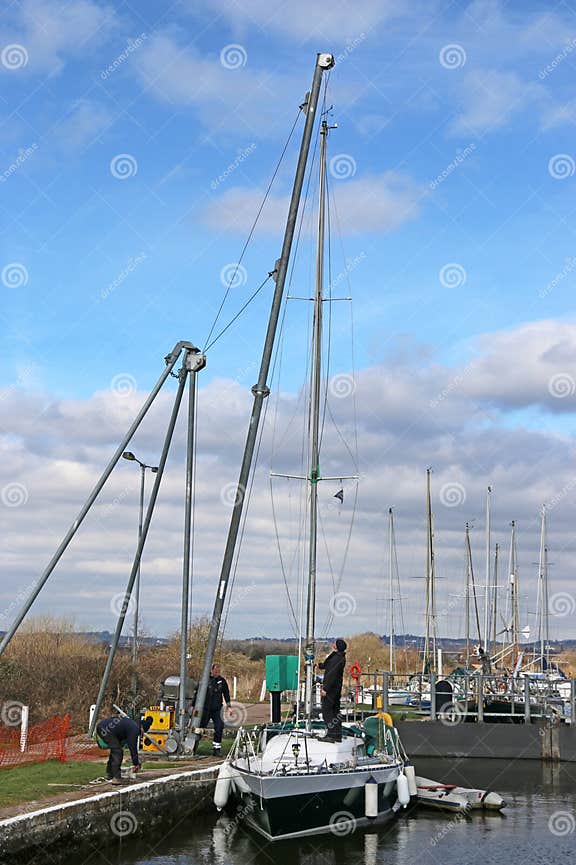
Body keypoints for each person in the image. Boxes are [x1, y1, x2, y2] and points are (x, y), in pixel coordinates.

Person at [96, 714, 153, 783]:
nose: (141, 734)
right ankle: (116, 778)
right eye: (142, 732)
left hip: (104, 727)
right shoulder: (134, 728)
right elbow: (132, 747)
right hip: (105, 729)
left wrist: (136, 761)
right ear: (142, 728)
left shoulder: (132, 724)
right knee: (118, 751)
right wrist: (136, 763)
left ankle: (110, 774)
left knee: (115, 750)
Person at [318, 638, 347, 742]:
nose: (333, 644)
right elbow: (327, 665)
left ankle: (331, 734)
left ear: (337, 646)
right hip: (336, 688)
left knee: (327, 710)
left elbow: (331, 674)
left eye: (335, 643)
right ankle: (337, 734)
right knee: (335, 710)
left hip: (331, 689)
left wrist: (325, 688)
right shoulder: (338, 657)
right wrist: (320, 665)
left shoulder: (336, 659)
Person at [201, 663, 231, 755]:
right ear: (211, 670)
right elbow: (197, 694)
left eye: (219, 671)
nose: (217, 673)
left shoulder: (222, 681)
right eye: (216, 671)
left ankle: (216, 749)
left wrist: (229, 707)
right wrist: (193, 705)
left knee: (219, 726)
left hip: (217, 709)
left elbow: (226, 694)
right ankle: (192, 746)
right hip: (205, 709)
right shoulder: (206, 680)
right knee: (200, 727)